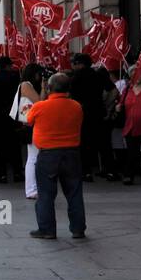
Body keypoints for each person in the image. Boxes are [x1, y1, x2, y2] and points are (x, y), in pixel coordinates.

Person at [27, 72, 86, 239]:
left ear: (49, 87)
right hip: (71, 153)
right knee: (74, 193)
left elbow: (29, 120)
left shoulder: (40, 107)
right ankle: (78, 228)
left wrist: (43, 93)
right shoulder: (76, 106)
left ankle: (47, 229)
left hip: (48, 155)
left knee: (46, 194)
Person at [69, 53, 113, 181]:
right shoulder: (98, 74)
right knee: (104, 144)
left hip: (82, 113)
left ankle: (86, 172)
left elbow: (70, 97)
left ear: (79, 64)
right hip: (99, 112)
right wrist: (108, 105)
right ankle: (109, 170)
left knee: (84, 145)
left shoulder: (75, 77)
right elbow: (113, 90)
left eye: (74, 63)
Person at [14, 63, 44, 199]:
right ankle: (31, 189)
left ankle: (34, 187)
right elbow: (40, 102)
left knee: (35, 156)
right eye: (39, 74)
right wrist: (44, 87)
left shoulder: (29, 85)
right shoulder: (26, 85)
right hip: (30, 125)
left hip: (34, 124)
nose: (40, 77)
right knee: (32, 157)